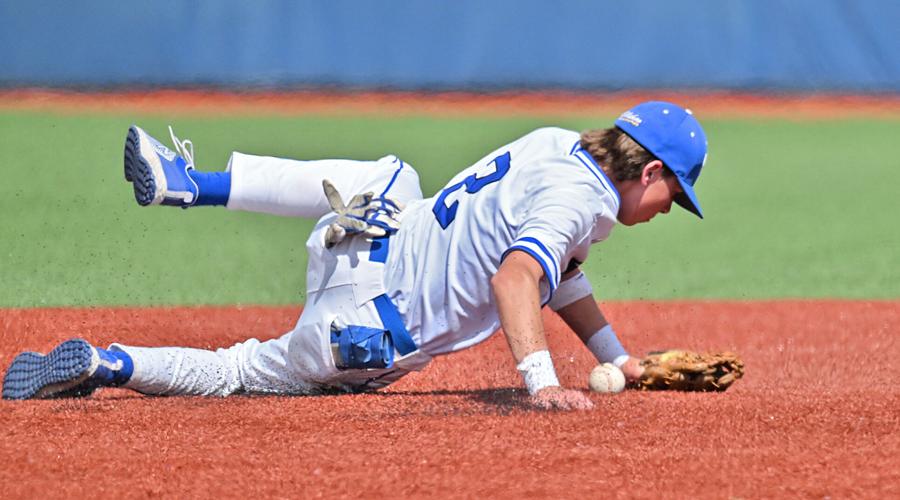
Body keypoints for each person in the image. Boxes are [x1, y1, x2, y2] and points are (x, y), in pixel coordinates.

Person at [2, 101, 708, 410]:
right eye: (672, 196)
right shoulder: (582, 204)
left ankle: (195, 185)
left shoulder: (560, 146)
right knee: (238, 370)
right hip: (365, 338)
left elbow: (561, 272)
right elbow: (520, 275)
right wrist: (541, 381)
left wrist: (616, 358)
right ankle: (112, 364)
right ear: (648, 172)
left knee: (391, 178)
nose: (665, 211)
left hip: (362, 242)